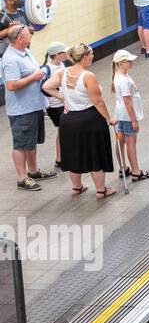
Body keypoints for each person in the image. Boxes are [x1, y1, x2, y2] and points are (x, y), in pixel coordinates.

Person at [59, 43, 117, 198]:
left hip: (69, 119)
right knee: (95, 154)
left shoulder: (63, 72)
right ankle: (100, 190)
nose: (93, 56)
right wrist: (109, 118)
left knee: (73, 152)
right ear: (85, 56)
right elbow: (98, 101)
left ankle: (77, 187)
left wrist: (64, 99)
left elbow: (46, 86)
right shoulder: (88, 76)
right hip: (89, 119)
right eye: (91, 54)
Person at [3, 25, 55, 191]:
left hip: (34, 106)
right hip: (21, 110)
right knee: (21, 144)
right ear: (19, 39)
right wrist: (34, 76)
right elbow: (11, 85)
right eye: (27, 35)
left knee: (31, 142)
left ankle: (33, 171)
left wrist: (41, 73)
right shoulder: (10, 59)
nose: (30, 37)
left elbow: (34, 71)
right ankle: (22, 178)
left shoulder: (25, 52)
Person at [110, 50, 149, 183]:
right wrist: (134, 120)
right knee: (131, 143)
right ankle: (136, 172)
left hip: (120, 114)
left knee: (120, 140)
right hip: (127, 115)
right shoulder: (123, 80)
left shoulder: (119, 75)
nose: (132, 62)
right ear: (120, 63)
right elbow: (128, 101)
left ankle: (123, 168)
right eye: (129, 61)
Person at [40, 41, 70, 172]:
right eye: (64, 52)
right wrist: (62, 97)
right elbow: (44, 89)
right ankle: (60, 158)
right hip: (54, 106)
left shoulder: (62, 65)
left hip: (63, 103)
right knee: (62, 130)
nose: (66, 54)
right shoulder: (47, 69)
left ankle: (61, 157)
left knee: (63, 130)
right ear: (57, 55)